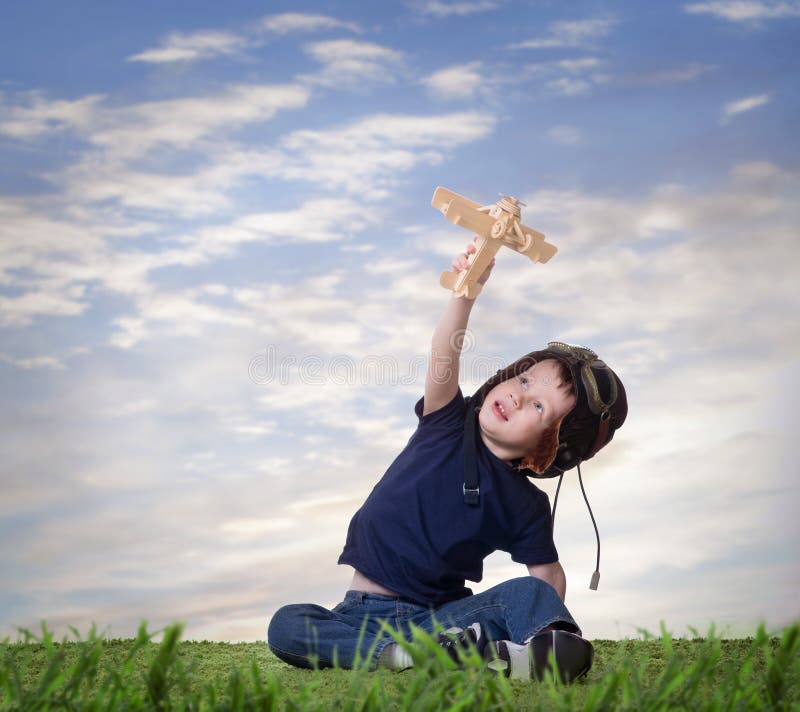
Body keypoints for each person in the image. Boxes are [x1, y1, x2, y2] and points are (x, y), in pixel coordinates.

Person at [267, 240, 627, 680]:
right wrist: (465, 292)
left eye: (538, 408)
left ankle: (539, 654)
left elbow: (546, 575)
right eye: (526, 379)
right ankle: (399, 655)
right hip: (357, 614)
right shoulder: (448, 420)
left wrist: (546, 625)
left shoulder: (526, 505)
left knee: (526, 591)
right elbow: (444, 352)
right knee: (287, 624)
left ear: (551, 446)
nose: (519, 395)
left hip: (440, 622)